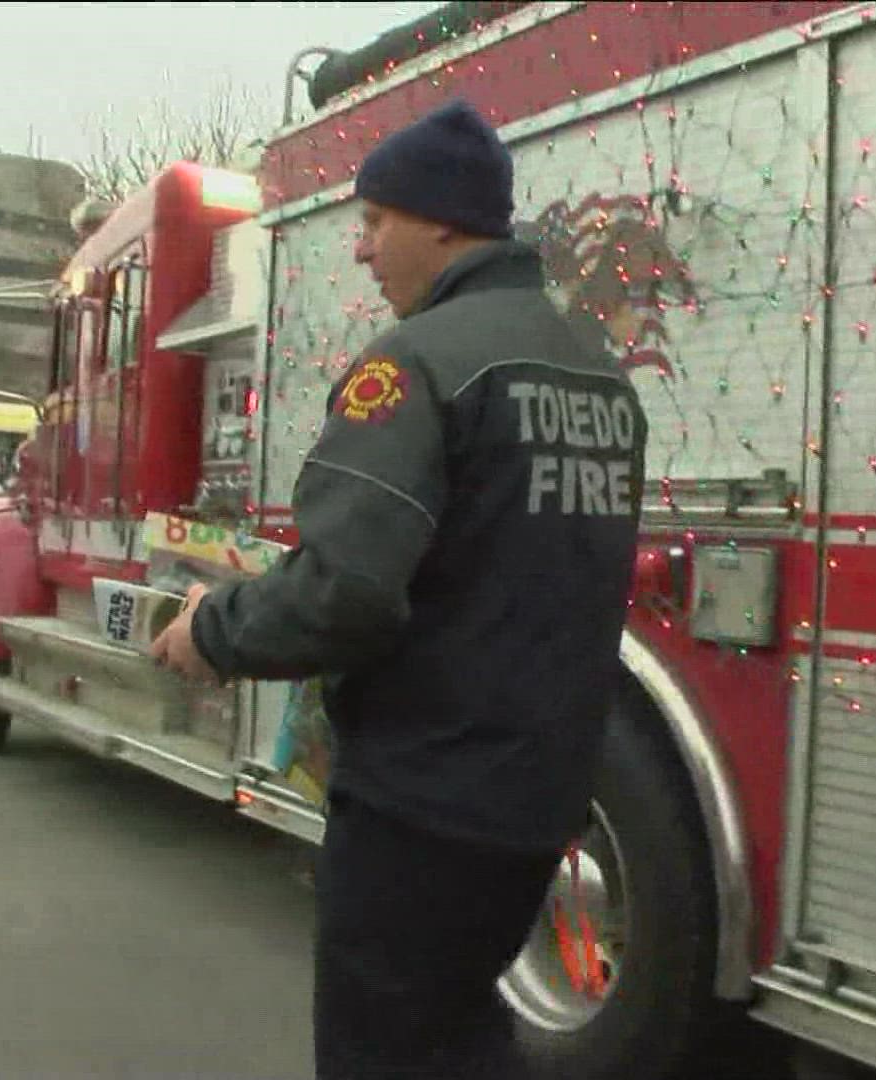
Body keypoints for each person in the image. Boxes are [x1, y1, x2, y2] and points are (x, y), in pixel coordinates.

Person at [150, 98, 648, 1080]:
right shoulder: (598, 374)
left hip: (424, 800)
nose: (363, 251)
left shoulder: (415, 365)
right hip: (537, 796)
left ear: (444, 221)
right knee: (459, 1033)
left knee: (386, 1049)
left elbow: (346, 589)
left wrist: (211, 631)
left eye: (376, 223)